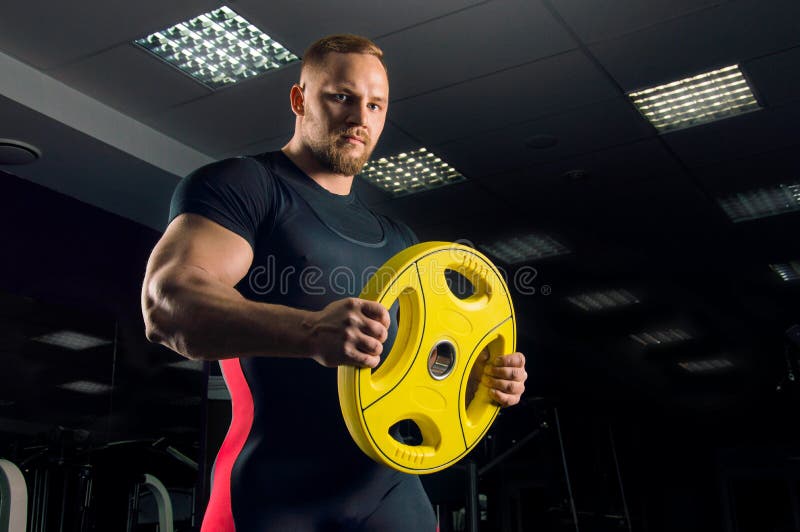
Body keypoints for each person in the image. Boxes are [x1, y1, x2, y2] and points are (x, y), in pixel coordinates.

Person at [141, 34, 527, 532]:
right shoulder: (245, 186)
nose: (359, 118)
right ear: (300, 99)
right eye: (341, 97)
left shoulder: (398, 239)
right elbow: (167, 304)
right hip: (274, 497)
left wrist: (477, 378)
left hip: (390, 493)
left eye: (374, 104)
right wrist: (309, 331)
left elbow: (412, 362)